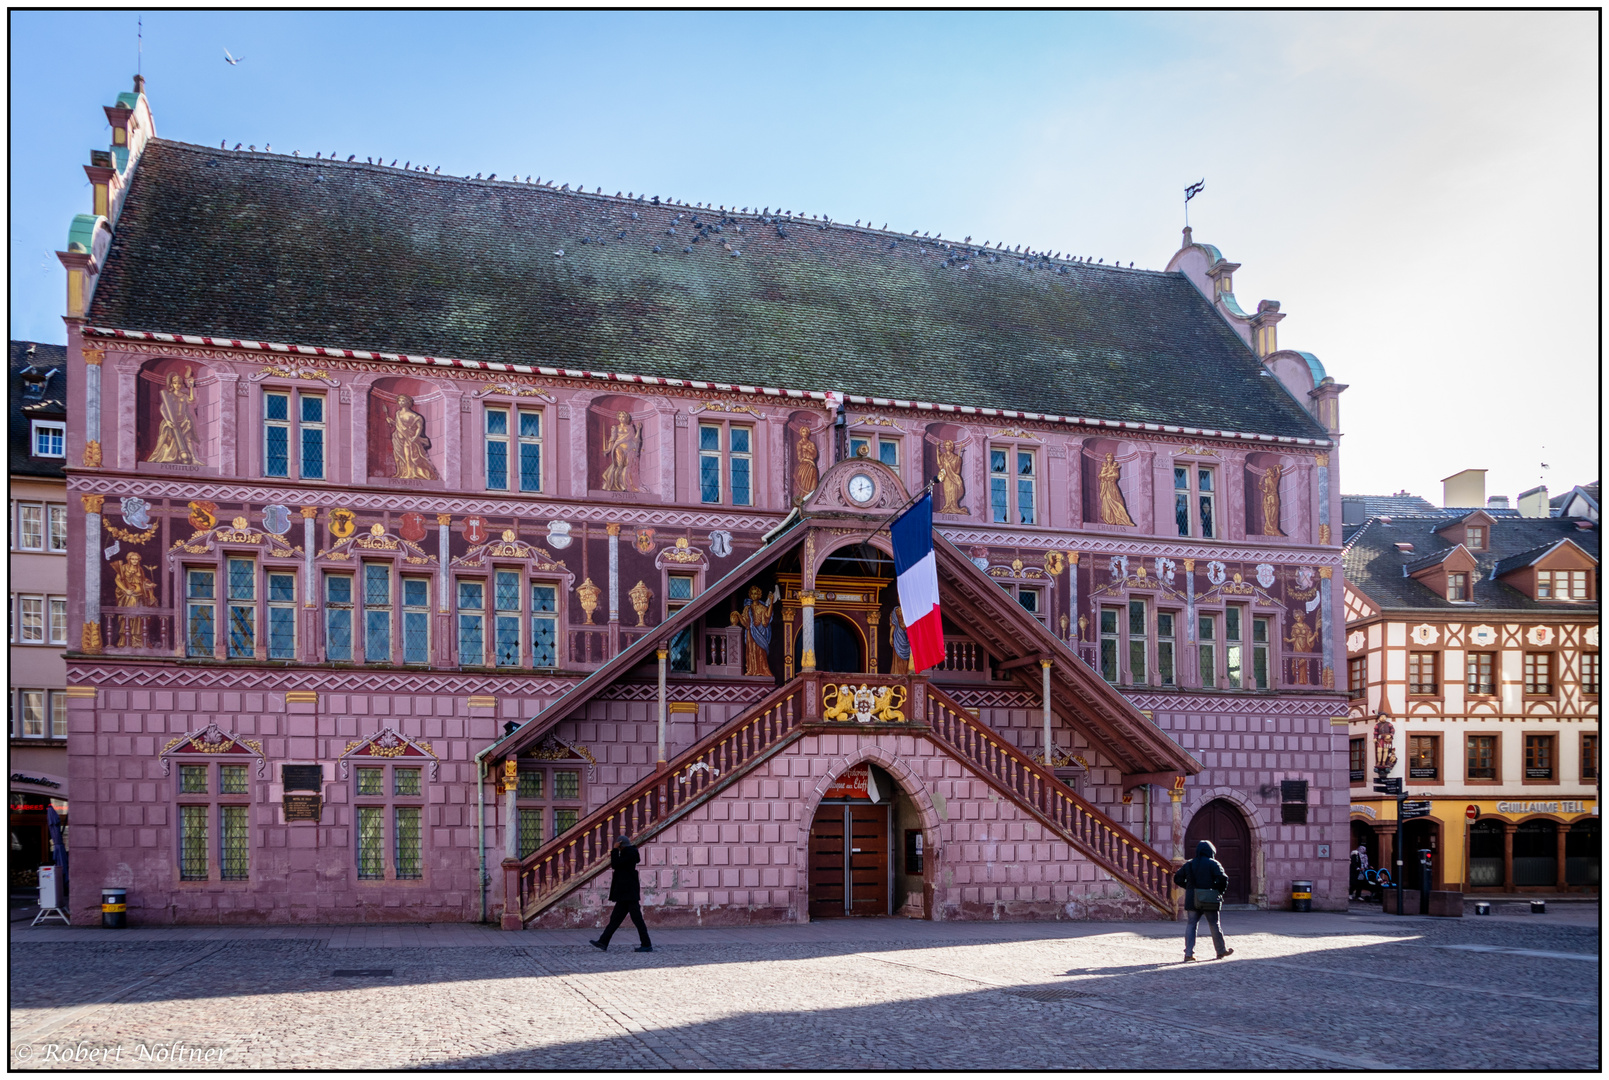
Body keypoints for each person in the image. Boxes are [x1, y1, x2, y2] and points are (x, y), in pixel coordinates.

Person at [1174, 839, 1234, 962]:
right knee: (1214, 924)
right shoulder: (1213, 863)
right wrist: (1218, 891)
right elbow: (1223, 878)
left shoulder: (1189, 864)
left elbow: (1177, 878)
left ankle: (1189, 954)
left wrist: (1189, 888)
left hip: (1192, 899)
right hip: (1209, 899)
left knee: (1191, 925)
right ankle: (1220, 950)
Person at [591, 835, 652, 953]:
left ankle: (647, 944)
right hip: (625, 894)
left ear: (621, 845)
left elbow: (615, 864)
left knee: (637, 920)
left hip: (628, 894)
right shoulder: (629, 853)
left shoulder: (629, 854)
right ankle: (603, 941)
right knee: (615, 919)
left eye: (618, 846)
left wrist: (614, 850)